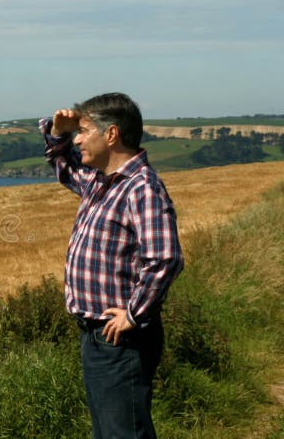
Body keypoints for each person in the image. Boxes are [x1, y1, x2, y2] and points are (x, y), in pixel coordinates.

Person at [39, 92, 184, 439]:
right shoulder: (101, 183)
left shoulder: (141, 187)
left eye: (84, 130)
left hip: (121, 339)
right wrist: (59, 131)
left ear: (111, 135)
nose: (77, 139)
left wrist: (134, 314)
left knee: (124, 434)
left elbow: (165, 256)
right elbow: (65, 166)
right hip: (98, 336)